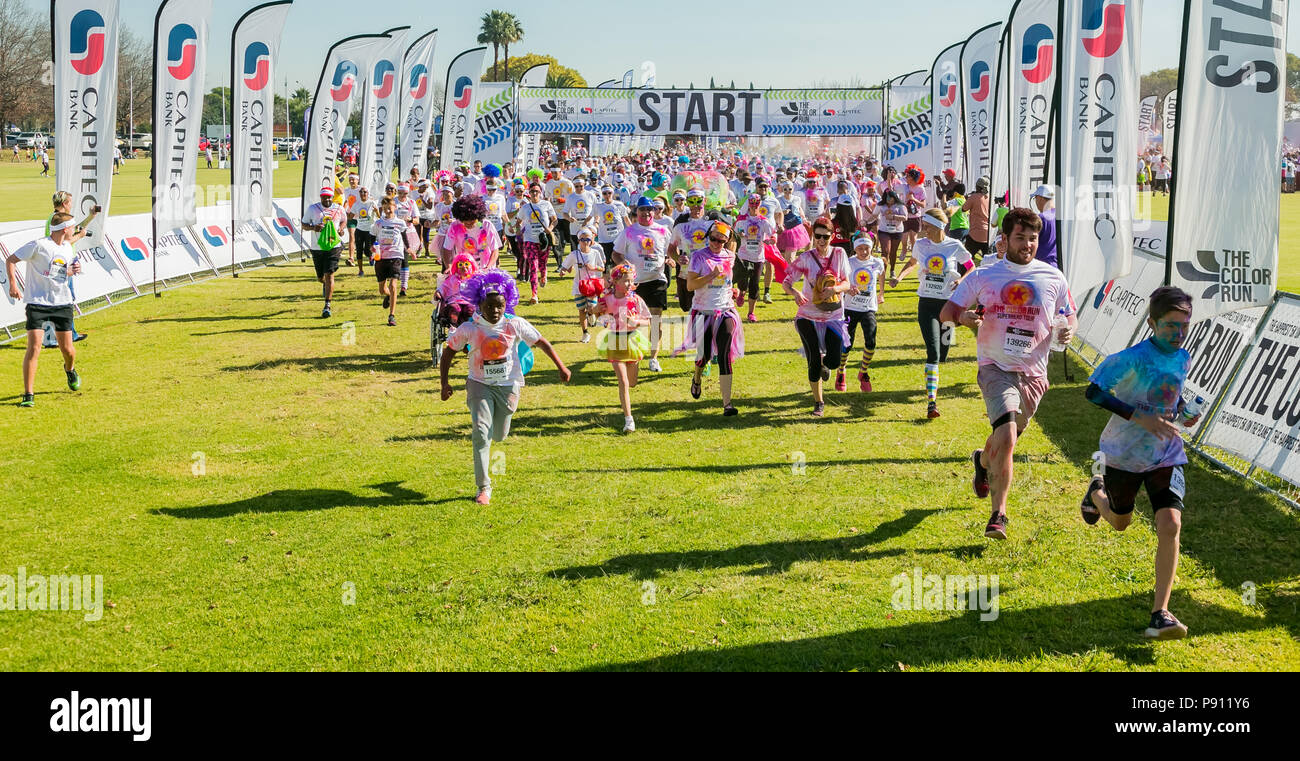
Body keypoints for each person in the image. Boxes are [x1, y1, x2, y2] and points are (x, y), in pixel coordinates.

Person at [940, 207, 1077, 540]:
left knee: (1005, 439)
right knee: (1007, 436)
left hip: (1034, 373)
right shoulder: (984, 275)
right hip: (995, 367)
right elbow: (947, 311)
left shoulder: (1053, 277)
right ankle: (998, 515)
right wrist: (963, 318)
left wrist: (1068, 329)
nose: (1027, 244)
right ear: (1004, 238)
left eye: (1033, 238)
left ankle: (982, 461)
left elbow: (1069, 315)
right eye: (1020, 237)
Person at [1080, 286, 1196, 639]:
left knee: (1170, 524)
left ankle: (1160, 614)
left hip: (1165, 453)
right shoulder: (1131, 359)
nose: (1178, 333)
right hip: (1123, 453)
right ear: (1152, 323)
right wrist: (1139, 417)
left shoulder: (1183, 357)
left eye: (1185, 325)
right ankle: (1097, 492)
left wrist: (1183, 411)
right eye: (1171, 325)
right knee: (1120, 522)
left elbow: (1172, 396)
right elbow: (1093, 391)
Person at [439, 270, 571, 506]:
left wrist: (561, 367)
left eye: (499, 306)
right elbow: (448, 352)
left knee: (499, 435)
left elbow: (541, 342)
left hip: (508, 385)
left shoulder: (514, 324)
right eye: (489, 306)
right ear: (480, 305)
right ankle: (483, 487)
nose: (495, 311)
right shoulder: (469, 328)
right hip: (479, 384)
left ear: (506, 303)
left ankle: (492, 438)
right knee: (481, 433)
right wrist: (444, 383)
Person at [890, 207, 970, 419]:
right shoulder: (921, 244)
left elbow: (971, 266)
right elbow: (912, 262)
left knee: (943, 353)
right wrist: (899, 277)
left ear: (939, 227)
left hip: (949, 306)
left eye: (928, 227)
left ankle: (933, 376)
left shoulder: (954, 245)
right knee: (933, 352)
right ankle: (932, 403)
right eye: (924, 226)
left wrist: (961, 280)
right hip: (926, 303)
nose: (924, 230)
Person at [7, 212, 84, 407]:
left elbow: (59, 272)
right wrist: (13, 285)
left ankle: (70, 370)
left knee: (68, 350)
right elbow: (11, 260)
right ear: (65, 229)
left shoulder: (67, 247)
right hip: (37, 303)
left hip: (62, 303)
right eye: (73, 227)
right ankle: (28, 395)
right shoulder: (38, 245)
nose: (74, 230)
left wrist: (72, 270)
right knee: (34, 348)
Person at [781, 216, 852, 417]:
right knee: (812, 359)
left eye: (825, 237)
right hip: (807, 315)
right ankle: (818, 402)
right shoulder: (805, 258)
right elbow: (786, 282)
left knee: (834, 361)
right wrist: (795, 293)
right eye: (818, 236)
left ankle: (825, 364)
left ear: (832, 237)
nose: (821, 240)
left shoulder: (839, 254)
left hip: (833, 315)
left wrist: (835, 289)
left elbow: (847, 283)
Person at [677, 220, 743, 416]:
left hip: (725, 311)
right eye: (713, 239)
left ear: (726, 241)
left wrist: (733, 290)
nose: (716, 244)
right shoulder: (699, 256)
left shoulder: (730, 256)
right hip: (702, 312)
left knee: (724, 356)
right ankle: (697, 378)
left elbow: (729, 281)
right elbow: (690, 285)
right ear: (708, 237)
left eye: (721, 241)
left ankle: (727, 404)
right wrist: (711, 276)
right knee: (704, 355)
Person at [612, 196, 672, 372]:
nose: (646, 213)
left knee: (656, 319)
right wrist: (624, 266)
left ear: (654, 211)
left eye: (649, 209)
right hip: (634, 283)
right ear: (636, 212)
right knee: (631, 321)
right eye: (642, 209)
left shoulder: (662, 230)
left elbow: (670, 251)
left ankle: (653, 358)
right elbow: (616, 254)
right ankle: (630, 353)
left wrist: (671, 259)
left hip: (656, 279)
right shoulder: (629, 232)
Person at [594, 263, 652, 433]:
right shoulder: (607, 298)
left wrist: (636, 322)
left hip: (632, 340)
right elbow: (597, 318)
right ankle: (629, 420)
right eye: (626, 281)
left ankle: (634, 368)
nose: (629, 284)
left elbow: (648, 320)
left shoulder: (635, 299)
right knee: (623, 382)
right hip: (615, 340)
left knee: (632, 382)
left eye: (631, 281)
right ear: (615, 281)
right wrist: (594, 310)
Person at [839, 232, 884, 392]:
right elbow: (840, 280)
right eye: (860, 248)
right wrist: (847, 289)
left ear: (872, 247)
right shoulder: (849, 262)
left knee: (871, 342)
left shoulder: (877, 262)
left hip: (868, 308)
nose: (864, 252)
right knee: (847, 344)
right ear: (854, 248)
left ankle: (863, 372)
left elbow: (881, 275)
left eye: (867, 248)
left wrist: (881, 293)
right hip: (850, 308)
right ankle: (841, 371)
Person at [301, 187, 348, 318]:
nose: (327, 199)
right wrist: (313, 227)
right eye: (324, 197)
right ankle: (325, 285)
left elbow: (344, 220)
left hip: (334, 246)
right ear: (321, 197)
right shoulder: (313, 209)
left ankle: (327, 305)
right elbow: (303, 225)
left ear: (332, 197)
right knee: (321, 278)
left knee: (329, 275)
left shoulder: (338, 208)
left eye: (329, 197)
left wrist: (341, 229)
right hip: (317, 247)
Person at [558, 229, 606, 344]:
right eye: (582, 239)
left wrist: (593, 268)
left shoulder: (595, 253)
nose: (585, 242)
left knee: (592, 307)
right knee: (581, 309)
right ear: (578, 240)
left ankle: (591, 314)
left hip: (592, 286)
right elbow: (565, 266)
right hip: (578, 286)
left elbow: (602, 268)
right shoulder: (574, 254)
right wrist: (563, 271)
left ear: (591, 240)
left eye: (587, 239)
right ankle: (585, 333)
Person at [734, 194, 777, 322]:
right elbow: (734, 234)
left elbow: (772, 233)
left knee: (755, 284)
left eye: (756, 204)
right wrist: (739, 234)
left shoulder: (763, 221)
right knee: (742, 282)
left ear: (759, 205)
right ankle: (742, 292)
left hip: (758, 257)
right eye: (751, 204)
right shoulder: (742, 220)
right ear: (748, 205)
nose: (754, 207)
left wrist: (772, 240)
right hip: (743, 255)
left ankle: (751, 313)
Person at [514, 182, 557, 305]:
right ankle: (534, 294)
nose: (534, 194)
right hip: (529, 240)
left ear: (540, 193)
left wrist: (550, 228)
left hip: (543, 240)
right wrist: (518, 232)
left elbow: (555, 220)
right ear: (529, 193)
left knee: (542, 264)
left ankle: (543, 274)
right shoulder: (525, 208)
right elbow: (518, 222)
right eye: (532, 191)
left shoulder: (546, 204)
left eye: (536, 191)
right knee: (533, 266)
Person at [443, 195, 502, 274]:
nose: (468, 223)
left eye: (472, 220)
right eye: (465, 221)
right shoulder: (454, 226)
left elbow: (494, 250)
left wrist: (488, 267)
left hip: (485, 269)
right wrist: (449, 266)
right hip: (464, 269)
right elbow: (447, 249)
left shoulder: (486, 225)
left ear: (478, 217)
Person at [372, 197, 407, 326]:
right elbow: (372, 237)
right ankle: (388, 296)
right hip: (381, 257)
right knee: (382, 289)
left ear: (395, 207)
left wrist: (409, 249)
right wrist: (371, 247)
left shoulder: (400, 223)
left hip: (396, 255)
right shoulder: (378, 223)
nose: (387, 210)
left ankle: (391, 316)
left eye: (390, 207)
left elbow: (405, 236)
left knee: (393, 285)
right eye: (385, 208)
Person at [877, 189, 907, 279]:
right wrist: (865, 221)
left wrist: (893, 216)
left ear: (895, 197)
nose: (889, 200)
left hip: (897, 231)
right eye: (887, 198)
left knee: (893, 252)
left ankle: (892, 270)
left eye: (891, 198)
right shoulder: (881, 205)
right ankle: (882, 272)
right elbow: (874, 215)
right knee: (885, 251)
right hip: (884, 230)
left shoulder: (900, 206)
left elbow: (905, 217)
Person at [961, 177, 992, 261]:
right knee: (988, 260)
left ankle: (967, 269)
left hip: (975, 233)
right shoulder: (989, 197)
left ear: (977, 186)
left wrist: (967, 199)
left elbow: (963, 209)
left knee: (966, 260)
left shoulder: (974, 197)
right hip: (987, 234)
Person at [352, 186, 377, 276]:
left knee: (367, 250)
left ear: (368, 193)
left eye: (365, 192)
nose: (363, 194)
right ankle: (360, 270)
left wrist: (376, 211)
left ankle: (370, 256)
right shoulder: (356, 204)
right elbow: (350, 215)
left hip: (370, 230)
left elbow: (378, 216)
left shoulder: (372, 202)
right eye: (361, 192)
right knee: (359, 250)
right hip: (359, 229)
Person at [1031, 185, 1058, 268]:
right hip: (1058, 265)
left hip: (1042, 266)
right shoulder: (1061, 217)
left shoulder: (1041, 218)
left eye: (1035, 198)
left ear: (1040, 198)